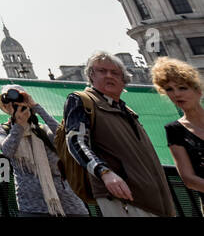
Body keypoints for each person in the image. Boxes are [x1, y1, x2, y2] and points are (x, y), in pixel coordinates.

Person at [63, 51, 175, 217]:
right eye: (102, 71)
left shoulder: (128, 111)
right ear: (91, 76)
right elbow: (76, 141)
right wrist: (104, 172)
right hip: (122, 197)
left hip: (157, 200)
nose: (109, 75)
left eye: (115, 72)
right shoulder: (82, 100)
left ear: (124, 80)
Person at [0, 85, 86, 217]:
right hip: (32, 204)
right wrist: (19, 125)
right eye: (8, 102)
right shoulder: (3, 129)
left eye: (21, 100)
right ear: (5, 107)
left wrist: (36, 107)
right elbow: (8, 150)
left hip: (67, 201)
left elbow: (63, 136)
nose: (15, 105)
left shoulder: (43, 129)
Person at [151, 57, 204, 213]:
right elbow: (188, 179)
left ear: (198, 91)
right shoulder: (175, 130)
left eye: (182, 88)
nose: (176, 94)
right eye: (169, 89)